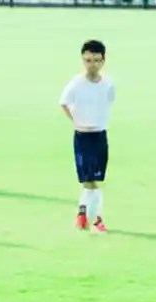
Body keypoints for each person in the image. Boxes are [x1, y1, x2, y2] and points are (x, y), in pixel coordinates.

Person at [59, 39, 113, 233]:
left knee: (96, 180)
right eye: (89, 60)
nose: (93, 64)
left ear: (103, 61)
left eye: (97, 60)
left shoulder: (107, 84)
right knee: (87, 180)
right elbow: (63, 102)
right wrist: (75, 120)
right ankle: (92, 216)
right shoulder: (76, 83)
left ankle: (87, 214)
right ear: (83, 60)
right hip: (83, 136)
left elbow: (107, 103)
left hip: (99, 135)